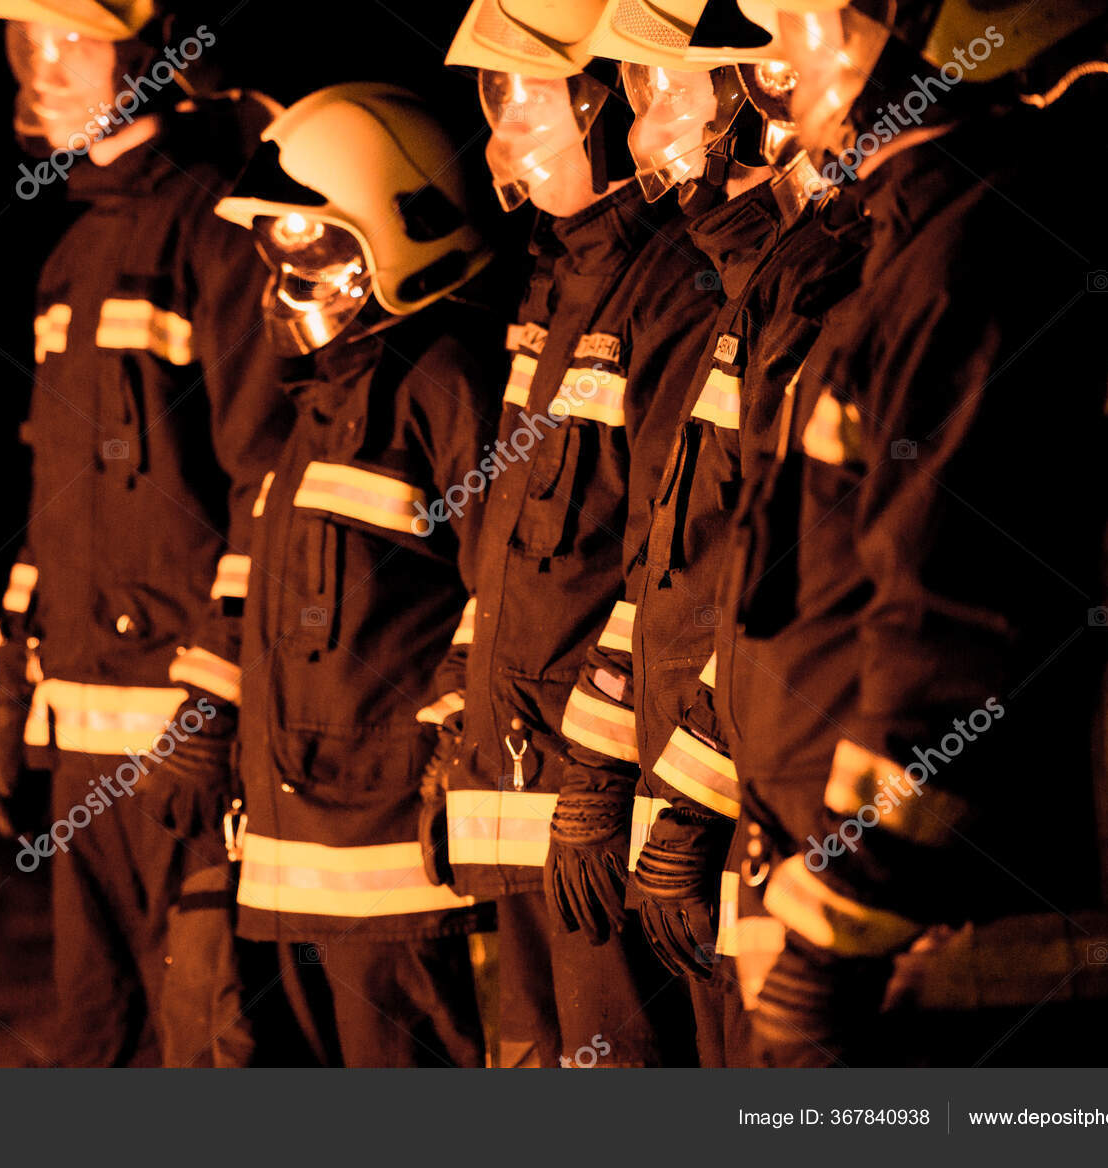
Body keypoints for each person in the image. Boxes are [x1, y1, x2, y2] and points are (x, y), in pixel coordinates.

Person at [712, 0, 1108, 1066]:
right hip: (934, 945)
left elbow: (953, 631)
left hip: (993, 965)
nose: (776, 50)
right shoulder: (934, 245)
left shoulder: (978, 260)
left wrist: (831, 941)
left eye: (803, 12)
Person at [0, 0, 290, 1066]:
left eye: (72, 41)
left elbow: (269, 478)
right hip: (80, 737)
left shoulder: (217, 229)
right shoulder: (71, 251)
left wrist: (215, 695)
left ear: (151, 56)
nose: (44, 70)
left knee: (208, 1037)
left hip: (181, 742)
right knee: (96, 1035)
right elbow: (51, 496)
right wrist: (10, 678)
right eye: (28, 46)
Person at [425, 0, 713, 1067]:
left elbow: (667, 561)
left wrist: (600, 784)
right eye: (494, 96)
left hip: (596, 806)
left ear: (603, 106)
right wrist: (456, 740)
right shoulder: (552, 282)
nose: (506, 126)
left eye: (526, 94)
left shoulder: (676, 289)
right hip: (524, 795)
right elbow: (502, 556)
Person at [213, 83, 501, 1067]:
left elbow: (496, 596)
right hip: (288, 872)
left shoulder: (444, 389)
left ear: (396, 237)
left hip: (398, 884)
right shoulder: (315, 405)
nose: (288, 275)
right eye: (278, 248)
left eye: (314, 247)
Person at [578, 0, 841, 1068]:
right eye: (639, 94)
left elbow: (771, 574)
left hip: (766, 808)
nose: (648, 132)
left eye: (672, 89)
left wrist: (683, 797)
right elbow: (665, 566)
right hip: (713, 800)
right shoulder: (746, 283)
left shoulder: (809, 277)